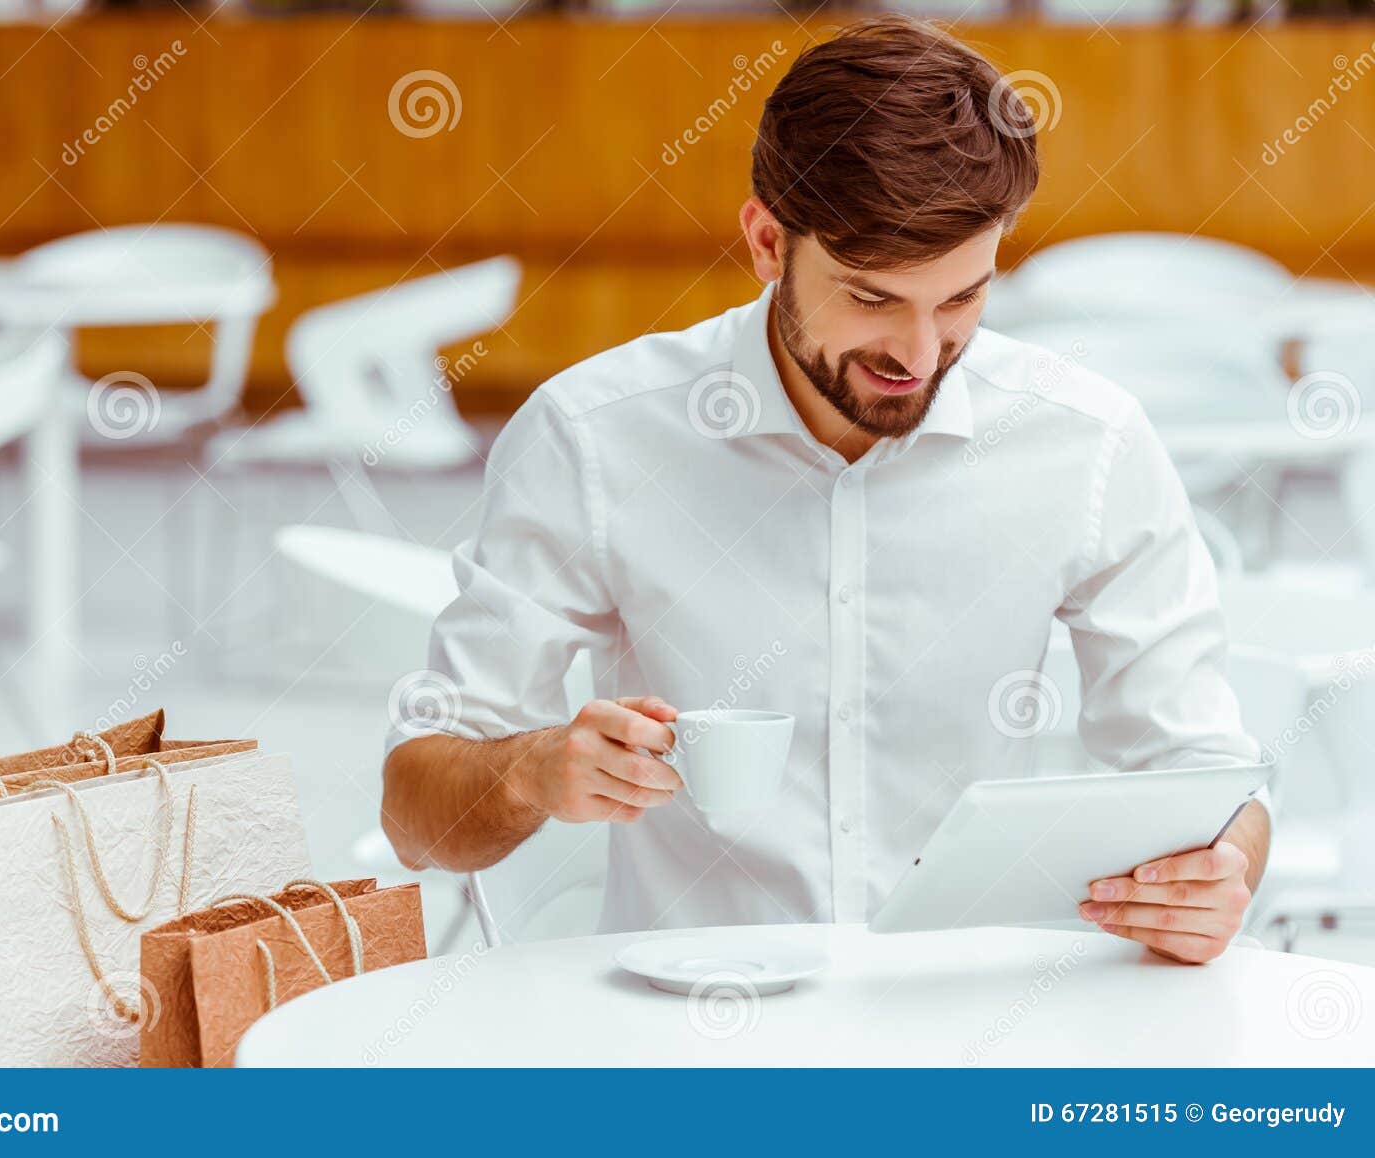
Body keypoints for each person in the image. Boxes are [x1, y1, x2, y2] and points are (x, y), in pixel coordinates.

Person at [381, 16, 1268, 964]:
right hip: (693, 1050)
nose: (920, 356)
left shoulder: (1086, 443)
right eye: (873, 298)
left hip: (975, 1032)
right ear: (767, 241)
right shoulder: (593, 436)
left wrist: (1224, 875)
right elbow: (415, 819)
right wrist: (529, 772)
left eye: (961, 298)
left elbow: (1208, 774)